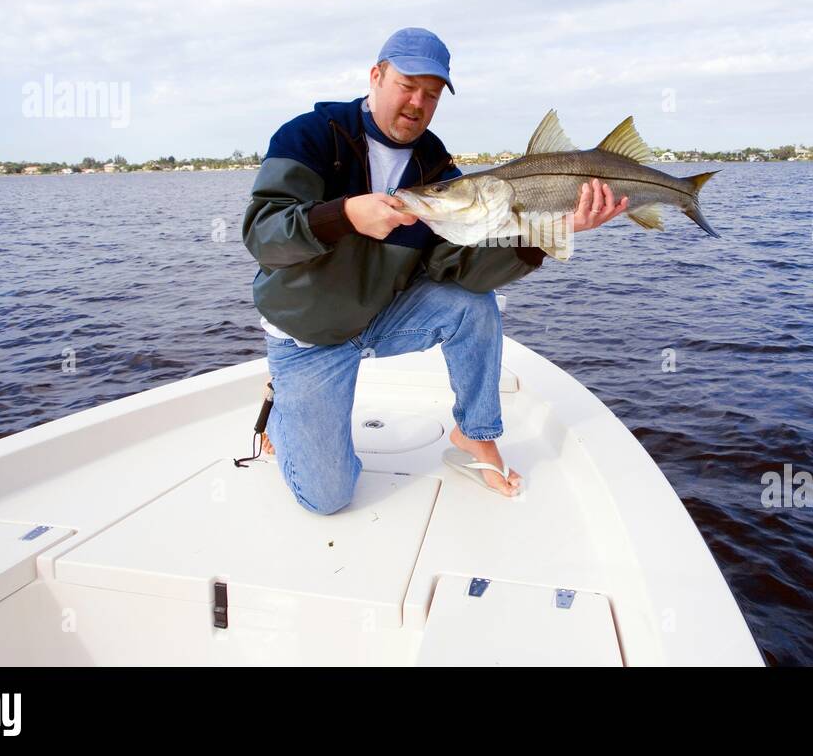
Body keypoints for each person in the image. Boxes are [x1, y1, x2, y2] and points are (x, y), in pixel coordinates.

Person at [241, 27, 628, 511]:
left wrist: (548, 236)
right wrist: (345, 215)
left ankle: (475, 435)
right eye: (407, 86)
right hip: (308, 334)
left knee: (474, 305)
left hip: (378, 319)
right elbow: (263, 235)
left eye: (432, 93)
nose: (418, 103)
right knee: (328, 498)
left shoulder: (435, 166)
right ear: (376, 76)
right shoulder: (311, 135)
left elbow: (458, 267)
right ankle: (284, 408)